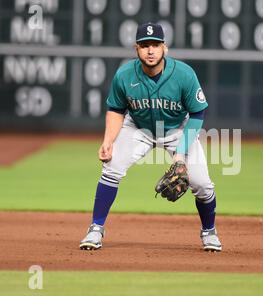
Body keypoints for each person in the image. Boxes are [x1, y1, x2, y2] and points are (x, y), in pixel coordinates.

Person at [79, 22, 222, 252]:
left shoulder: (184, 75)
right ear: (137, 49)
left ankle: (209, 231)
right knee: (111, 168)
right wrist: (108, 140)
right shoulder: (125, 75)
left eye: (155, 44)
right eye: (145, 46)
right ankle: (96, 228)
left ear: (164, 47)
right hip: (138, 127)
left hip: (177, 129)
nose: (151, 50)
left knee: (202, 185)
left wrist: (180, 155)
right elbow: (116, 109)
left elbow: (197, 112)